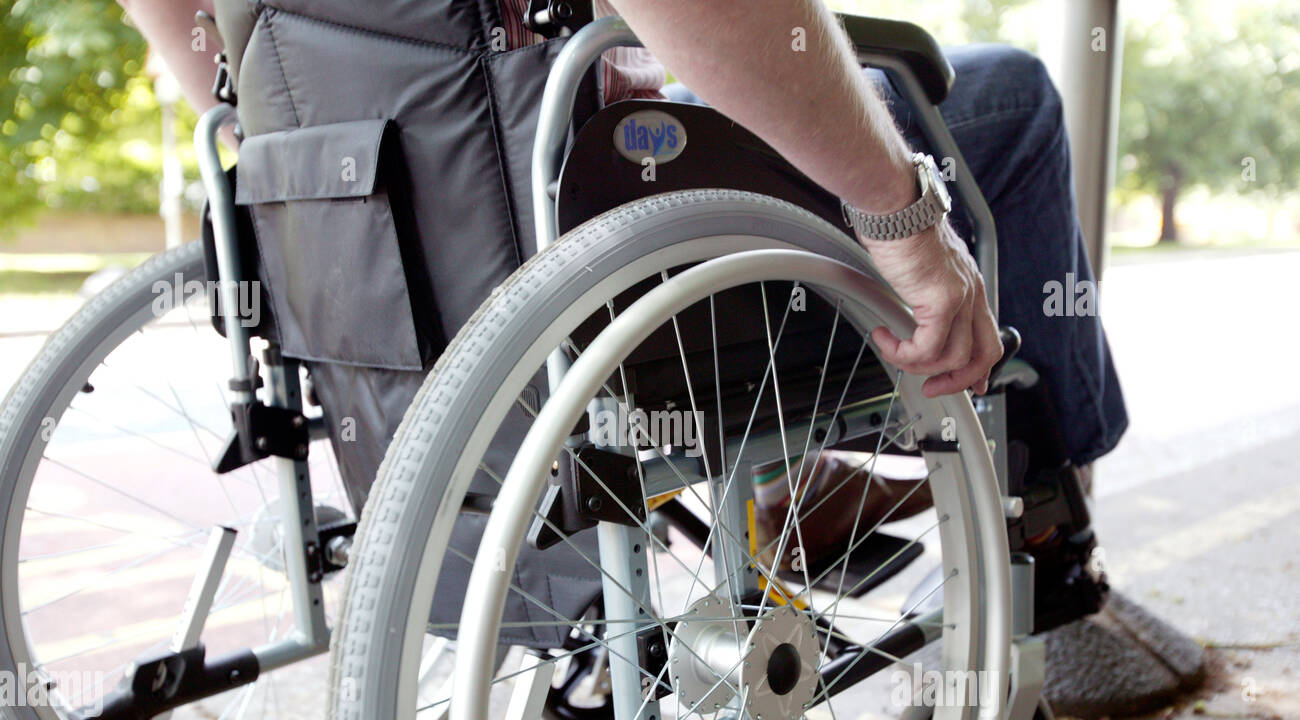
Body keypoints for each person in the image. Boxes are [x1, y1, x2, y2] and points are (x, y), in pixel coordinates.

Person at [120, 0, 1127, 568]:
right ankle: (1049, 486)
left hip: (369, 233)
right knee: (1007, 92)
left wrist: (267, 145)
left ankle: (788, 484)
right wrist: (903, 222)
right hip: (573, 208)